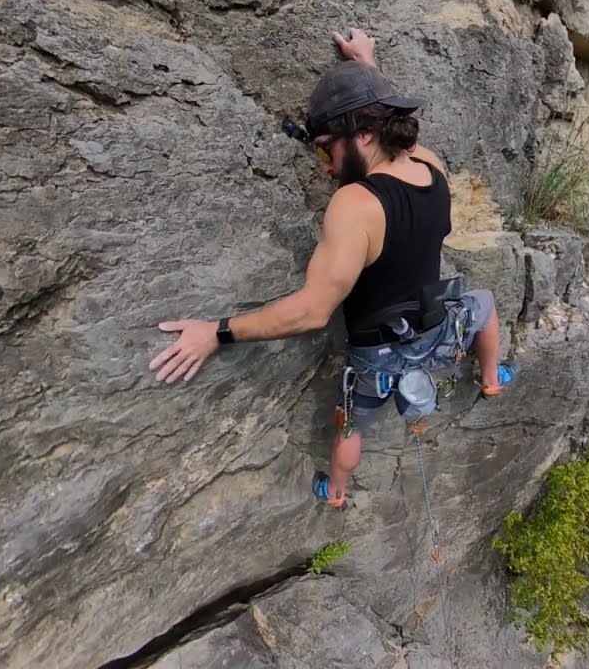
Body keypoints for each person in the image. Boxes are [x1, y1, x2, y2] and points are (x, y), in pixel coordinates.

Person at [148, 28, 515, 509]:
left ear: (362, 133)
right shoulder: (432, 168)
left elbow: (311, 311)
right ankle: (491, 379)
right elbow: (387, 127)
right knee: (484, 307)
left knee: (351, 422)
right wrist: (368, 68)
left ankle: (336, 493)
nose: (324, 165)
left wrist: (215, 334)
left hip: (377, 357)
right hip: (436, 329)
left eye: (326, 148)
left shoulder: (355, 205)